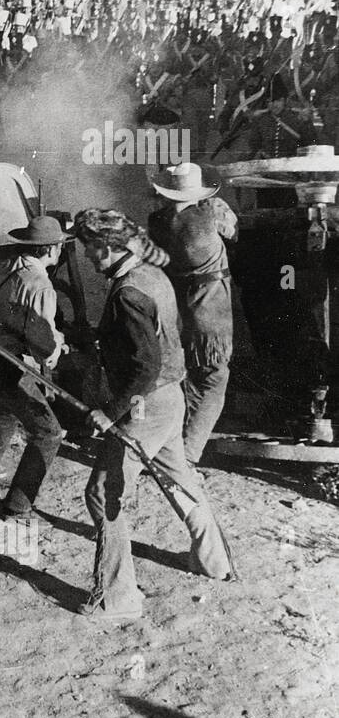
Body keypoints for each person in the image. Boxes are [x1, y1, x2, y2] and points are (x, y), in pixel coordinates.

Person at [72, 209, 234, 623]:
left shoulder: (127, 292)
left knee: (102, 492)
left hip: (146, 404)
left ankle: (117, 599)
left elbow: (145, 365)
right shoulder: (152, 276)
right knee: (177, 478)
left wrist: (110, 413)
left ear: (108, 247)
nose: (89, 258)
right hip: (171, 397)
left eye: (91, 250)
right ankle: (215, 561)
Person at [0, 216, 67, 517]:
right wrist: (58, 348)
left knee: (7, 413)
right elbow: (43, 346)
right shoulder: (40, 286)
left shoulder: (6, 266)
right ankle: (17, 506)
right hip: (5, 362)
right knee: (49, 432)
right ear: (52, 249)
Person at [147, 163, 236, 465]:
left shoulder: (157, 221)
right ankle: (187, 455)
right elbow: (233, 231)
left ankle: (167, 447)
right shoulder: (210, 211)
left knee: (186, 376)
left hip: (178, 304)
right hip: (210, 307)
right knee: (214, 378)